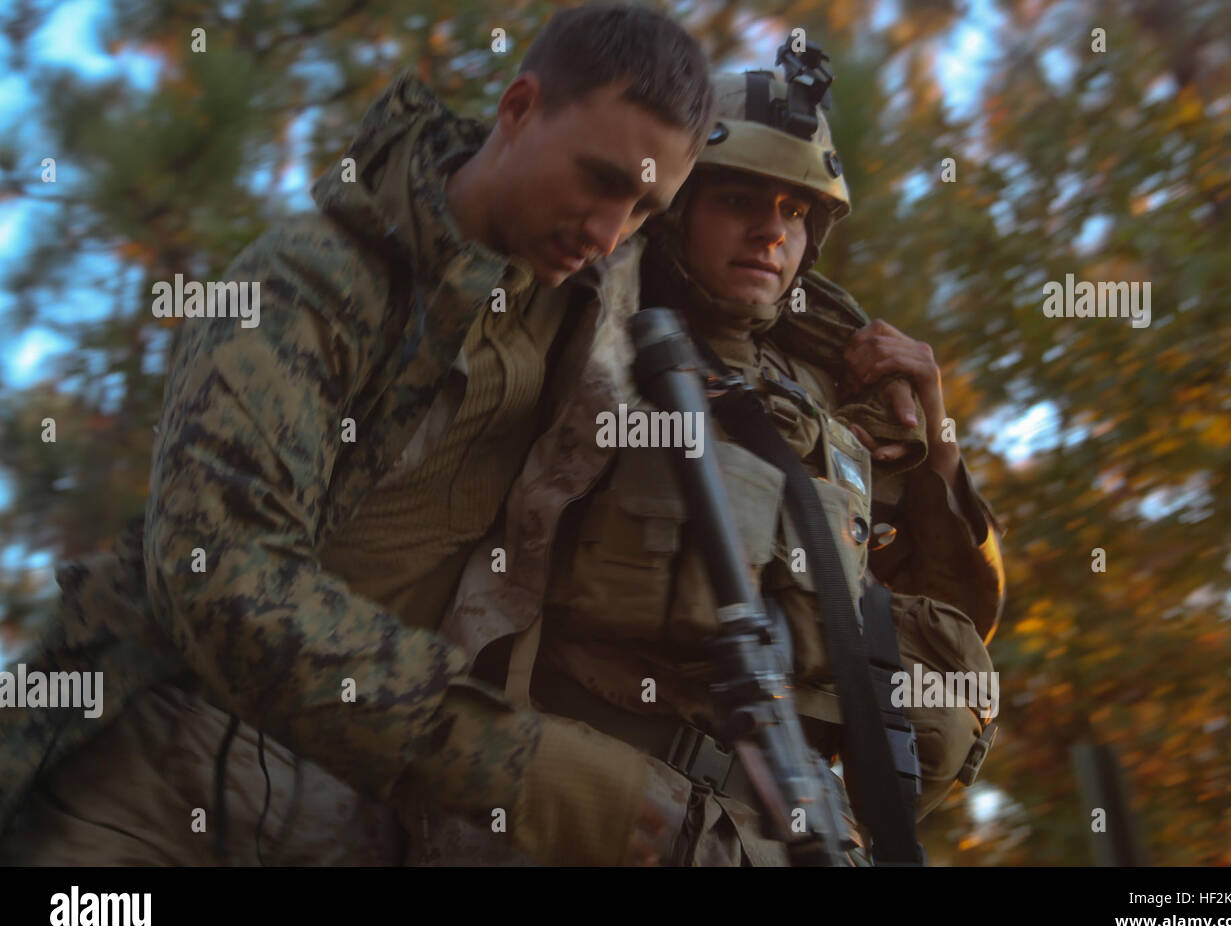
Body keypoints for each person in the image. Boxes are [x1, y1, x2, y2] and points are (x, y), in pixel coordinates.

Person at [0, 3, 714, 866]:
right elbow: (218, 568)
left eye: (644, 207)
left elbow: (763, 256)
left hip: (359, 815)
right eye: (599, 179)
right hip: (157, 766)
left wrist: (900, 413)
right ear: (519, 109)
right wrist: (508, 761)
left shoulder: (595, 323)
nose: (610, 232)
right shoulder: (308, 279)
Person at [433, 60, 1006, 865]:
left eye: (795, 212)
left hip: (766, 831)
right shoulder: (591, 328)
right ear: (676, 209)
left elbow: (949, 624)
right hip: (583, 808)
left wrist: (937, 435)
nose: (771, 232)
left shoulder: (826, 401)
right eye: (739, 200)